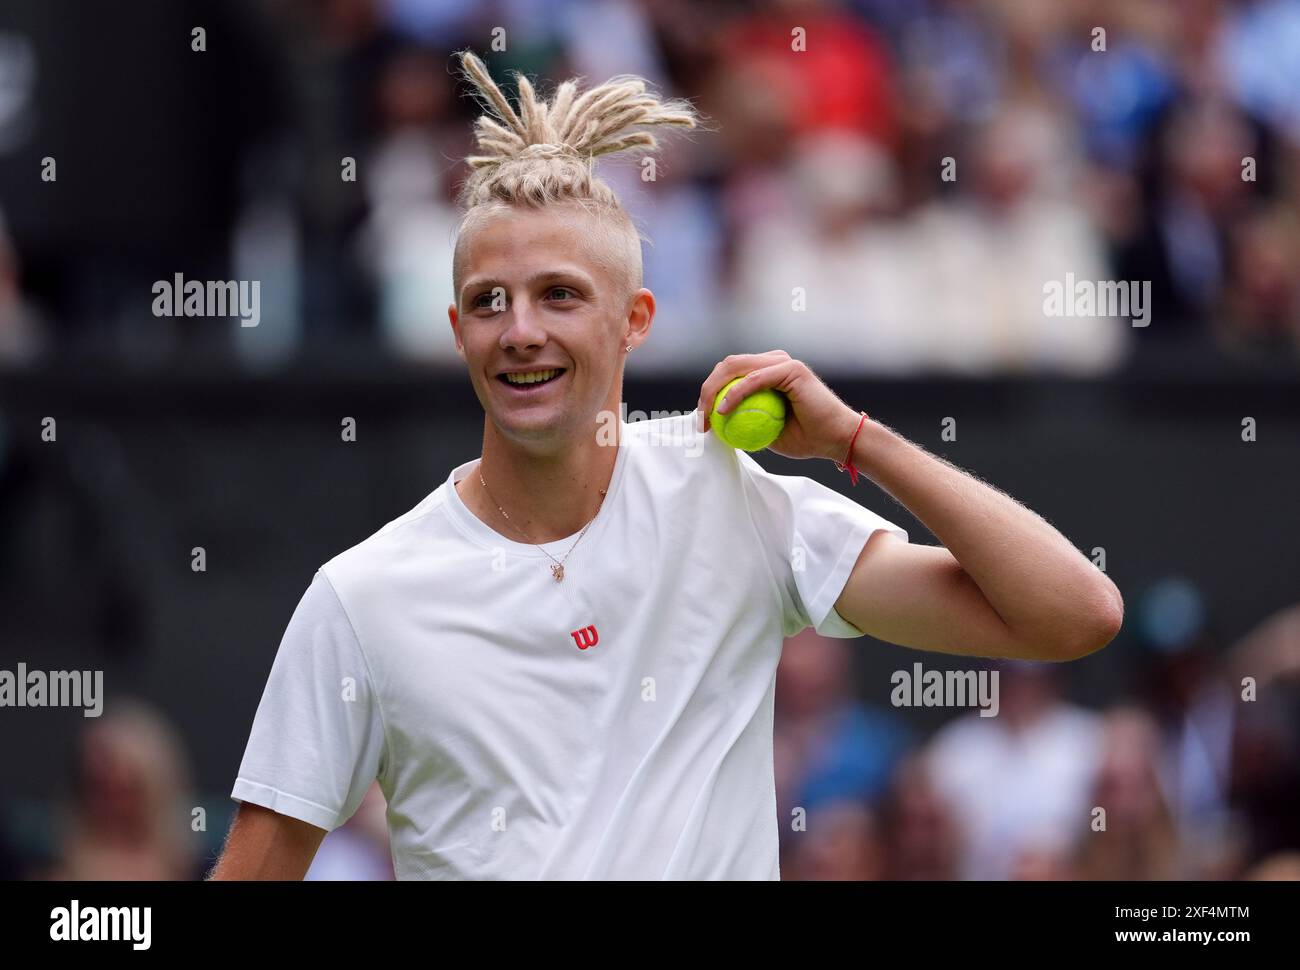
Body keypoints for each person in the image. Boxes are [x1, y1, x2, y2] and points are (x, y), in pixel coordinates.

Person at [209, 50, 1122, 881]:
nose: (520, 329)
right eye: (489, 302)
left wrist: (856, 440)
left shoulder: (730, 497)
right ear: (457, 334)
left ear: (636, 320)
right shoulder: (362, 596)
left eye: (559, 294)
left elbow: (1073, 615)